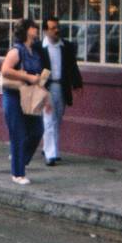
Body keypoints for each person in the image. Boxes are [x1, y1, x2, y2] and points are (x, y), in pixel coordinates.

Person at [0, 18, 44, 185]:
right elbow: (5, 70)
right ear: (26, 30)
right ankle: (17, 173)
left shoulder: (33, 51)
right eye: (33, 27)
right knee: (18, 134)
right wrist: (27, 76)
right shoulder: (16, 51)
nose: (36, 29)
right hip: (13, 96)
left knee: (37, 130)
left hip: (31, 96)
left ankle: (21, 159)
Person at [38, 15, 83, 166]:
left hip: (61, 86)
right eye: (52, 28)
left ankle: (51, 148)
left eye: (57, 27)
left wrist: (77, 85)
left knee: (57, 119)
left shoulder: (67, 47)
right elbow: (37, 69)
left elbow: (72, 67)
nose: (56, 31)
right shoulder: (39, 48)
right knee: (48, 119)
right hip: (46, 87)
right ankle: (51, 155)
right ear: (45, 31)